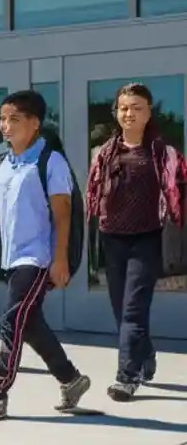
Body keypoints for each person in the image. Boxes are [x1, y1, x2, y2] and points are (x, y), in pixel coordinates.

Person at [0, 90, 91, 423]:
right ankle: (71, 379)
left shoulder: (50, 161)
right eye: (2, 119)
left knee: (12, 320)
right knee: (28, 323)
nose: (5, 126)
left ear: (34, 124)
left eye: (14, 119)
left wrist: (60, 259)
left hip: (38, 259)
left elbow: (63, 215)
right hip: (11, 258)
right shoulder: (0, 165)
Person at [85, 82, 185, 402]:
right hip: (112, 239)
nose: (128, 113)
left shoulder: (162, 153)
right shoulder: (104, 152)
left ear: (148, 112)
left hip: (147, 239)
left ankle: (126, 376)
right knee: (121, 312)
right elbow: (93, 194)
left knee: (133, 311)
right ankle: (146, 356)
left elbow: (179, 191)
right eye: (124, 108)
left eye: (136, 108)